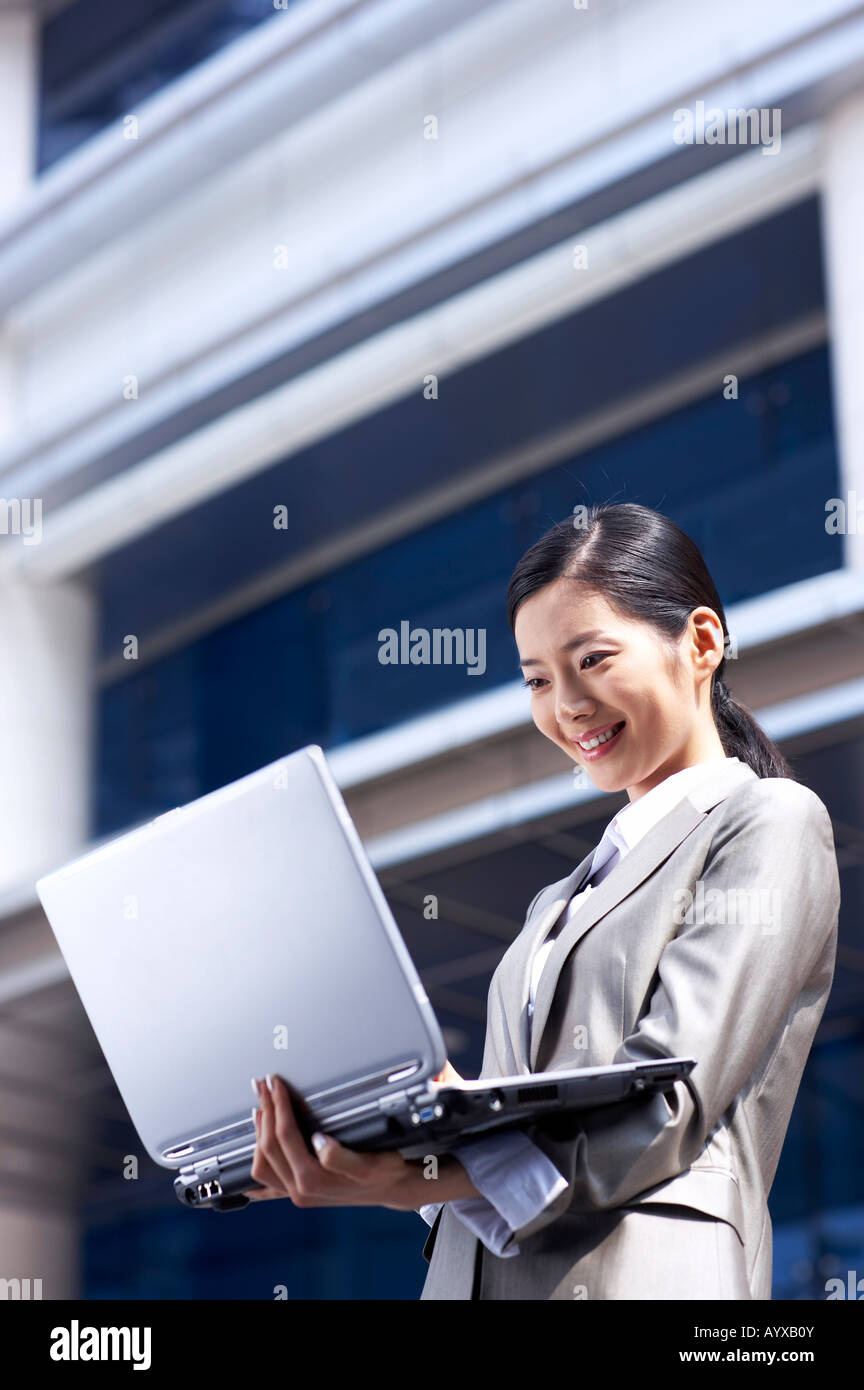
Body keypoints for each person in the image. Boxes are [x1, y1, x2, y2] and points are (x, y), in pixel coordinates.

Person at [246, 502, 840, 1300]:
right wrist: (407, 1125)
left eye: (593, 659)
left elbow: (667, 1101)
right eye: (537, 680)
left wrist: (417, 1178)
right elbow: (504, 1157)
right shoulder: (551, 906)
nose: (566, 706)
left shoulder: (770, 821)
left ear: (701, 643)